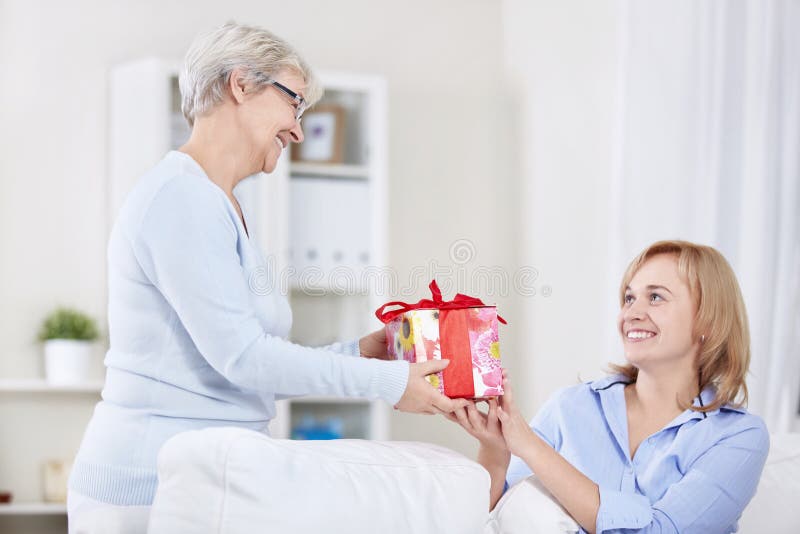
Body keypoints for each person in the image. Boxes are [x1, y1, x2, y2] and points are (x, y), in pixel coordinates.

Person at [67, 22, 465, 531]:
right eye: (294, 103)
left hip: (205, 483)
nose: (298, 129)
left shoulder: (223, 204)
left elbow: (242, 373)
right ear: (240, 85)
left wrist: (363, 352)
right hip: (147, 491)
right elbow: (244, 360)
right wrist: (387, 382)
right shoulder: (180, 198)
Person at [449, 240, 769, 533]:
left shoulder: (738, 438)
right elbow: (498, 516)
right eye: (629, 298)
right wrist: (496, 449)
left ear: (708, 322)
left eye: (655, 297)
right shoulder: (570, 406)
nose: (632, 313)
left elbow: (662, 531)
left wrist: (531, 447)